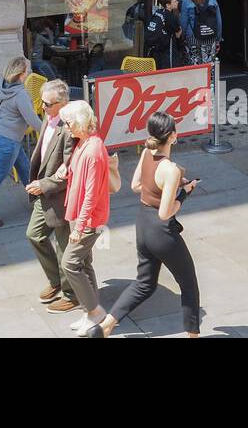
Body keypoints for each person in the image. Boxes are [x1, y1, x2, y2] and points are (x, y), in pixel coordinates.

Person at [93, 111, 202, 338]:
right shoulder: (170, 169)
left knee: (145, 282)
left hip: (142, 224)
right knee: (188, 284)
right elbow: (165, 213)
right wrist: (183, 194)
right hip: (162, 232)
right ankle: (193, 336)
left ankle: (106, 325)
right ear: (172, 136)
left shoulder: (145, 153)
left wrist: (165, 187)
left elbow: (135, 186)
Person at [57, 99, 112, 337]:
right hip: (78, 214)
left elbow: (91, 193)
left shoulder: (93, 150)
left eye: (68, 123)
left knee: (69, 263)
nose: (65, 128)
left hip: (87, 219)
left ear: (79, 121)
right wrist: (65, 169)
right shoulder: (85, 144)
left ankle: (96, 311)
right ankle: (91, 313)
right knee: (83, 263)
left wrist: (79, 227)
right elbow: (78, 174)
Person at [25, 79, 77, 314]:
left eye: (47, 104)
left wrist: (44, 184)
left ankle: (71, 294)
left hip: (60, 196)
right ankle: (55, 280)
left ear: (62, 103)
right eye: (42, 103)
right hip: (42, 193)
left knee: (64, 246)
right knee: (34, 235)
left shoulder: (70, 128)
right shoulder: (49, 116)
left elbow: (69, 171)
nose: (42, 107)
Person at [0, 56, 43, 230]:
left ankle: (39, 202)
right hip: (9, 141)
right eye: (26, 71)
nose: (27, 73)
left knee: (26, 168)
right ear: (20, 74)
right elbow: (33, 122)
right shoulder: (20, 94)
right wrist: (51, 129)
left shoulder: (1, 85)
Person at [180, 0, 222, 67]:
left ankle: (196, 82)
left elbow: (183, 23)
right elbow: (219, 22)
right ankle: (209, 81)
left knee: (194, 65)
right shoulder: (212, 0)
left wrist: (182, 38)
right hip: (209, 37)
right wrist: (218, 38)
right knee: (209, 65)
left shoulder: (186, 1)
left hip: (192, 37)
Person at [144, 0, 181, 69]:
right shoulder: (171, 18)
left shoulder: (158, 12)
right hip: (167, 51)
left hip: (156, 50)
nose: (177, 2)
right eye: (174, 1)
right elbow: (178, 33)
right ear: (168, 5)